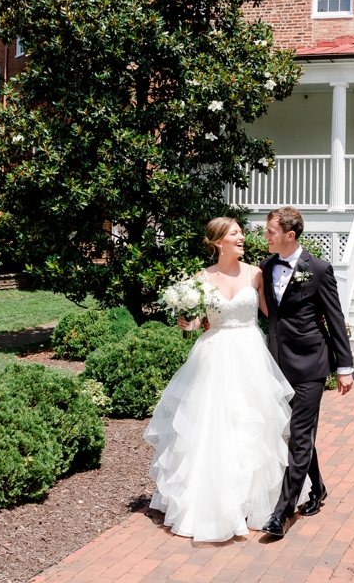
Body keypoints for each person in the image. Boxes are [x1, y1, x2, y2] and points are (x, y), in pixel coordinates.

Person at [143, 217, 296, 543]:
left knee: (249, 426)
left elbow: (274, 314)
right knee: (212, 427)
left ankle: (250, 501)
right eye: (235, 233)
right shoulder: (201, 279)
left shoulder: (256, 273)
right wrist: (186, 321)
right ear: (218, 241)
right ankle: (212, 502)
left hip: (250, 355)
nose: (242, 237)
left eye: (241, 232)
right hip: (212, 356)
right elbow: (195, 322)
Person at [259, 206, 354, 538]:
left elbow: (335, 319)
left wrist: (344, 367)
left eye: (270, 231)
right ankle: (318, 488)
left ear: (290, 235)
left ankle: (281, 514)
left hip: (311, 364)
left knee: (299, 436)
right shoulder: (267, 266)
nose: (265, 236)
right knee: (294, 434)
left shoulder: (319, 269)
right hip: (276, 364)